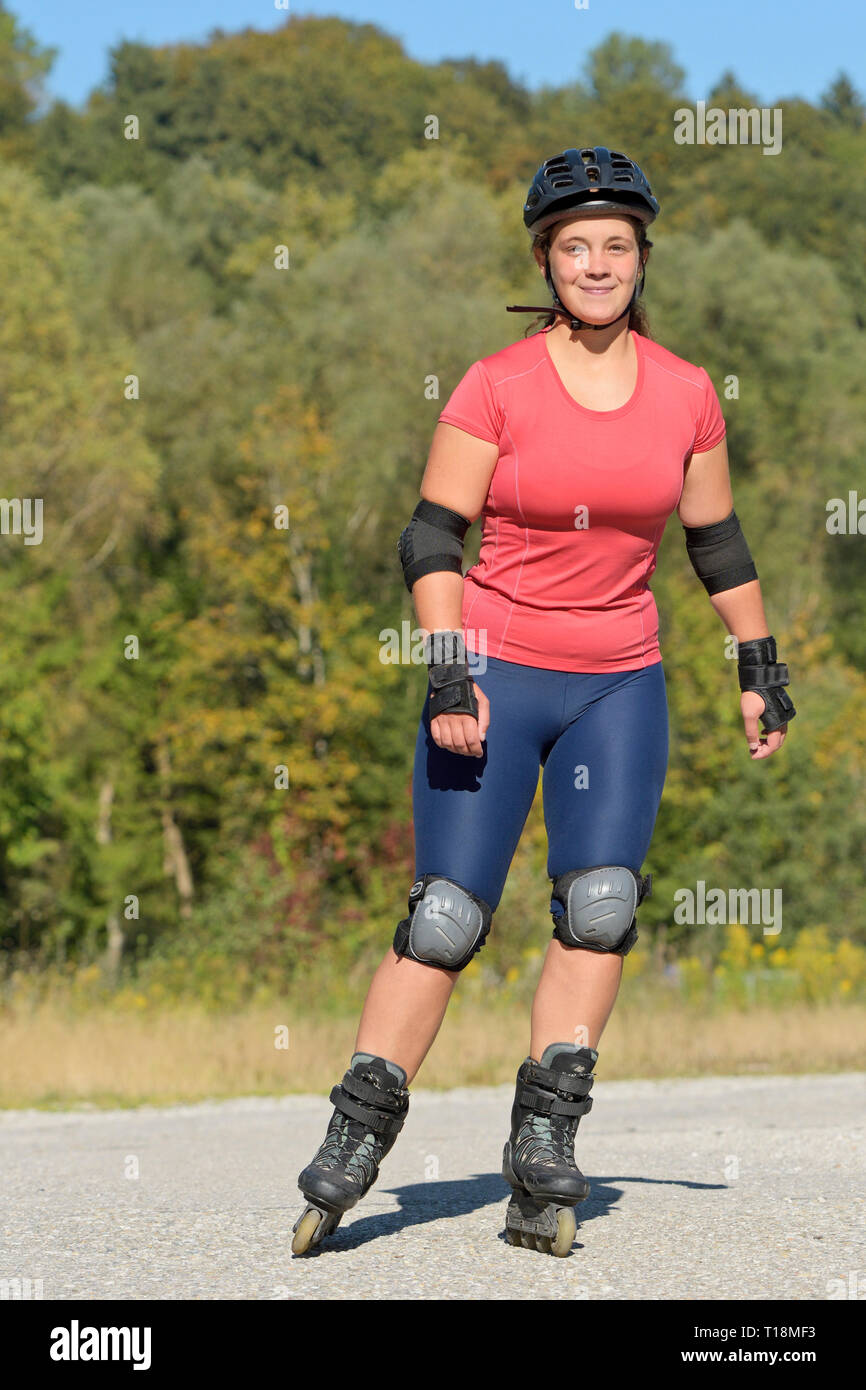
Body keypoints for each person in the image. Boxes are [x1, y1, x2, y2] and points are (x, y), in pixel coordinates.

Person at [291, 145, 796, 1258]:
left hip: (617, 679)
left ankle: (543, 1147)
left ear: (640, 259)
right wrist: (447, 664)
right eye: (575, 245)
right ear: (544, 259)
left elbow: (714, 542)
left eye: (616, 244)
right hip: (495, 670)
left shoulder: (685, 393)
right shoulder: (497, 383)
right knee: (446, 915)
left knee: (601, 905)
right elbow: (432, 532)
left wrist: (757, 666)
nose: (597, 263)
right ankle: (358, 1131)